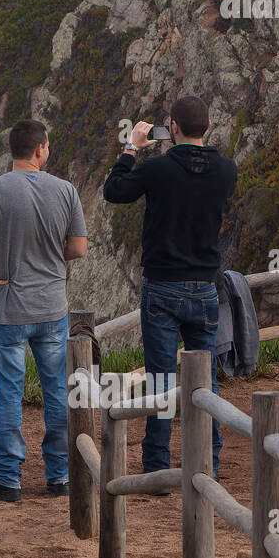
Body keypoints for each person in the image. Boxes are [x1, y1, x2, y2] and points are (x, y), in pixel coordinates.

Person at [102, 95, 237, 484]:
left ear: (172, 128)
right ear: (208, 127)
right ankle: (208, 461)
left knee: (161, 378)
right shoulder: (226, 170)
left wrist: (132, 148)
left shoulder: (158, 169)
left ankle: (158, 466)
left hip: (162, 287)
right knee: (205, 378)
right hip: (205, 287)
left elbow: (115, 190)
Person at [0, 120, 88, 502]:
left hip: (9, 310)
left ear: (12, 151)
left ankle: (7, 479)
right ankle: (60, 477)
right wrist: (50, 257)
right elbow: (78, 249)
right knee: (57, 394)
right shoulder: (65, 190)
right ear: (41, 149)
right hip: (51, 309)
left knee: (9, 396)